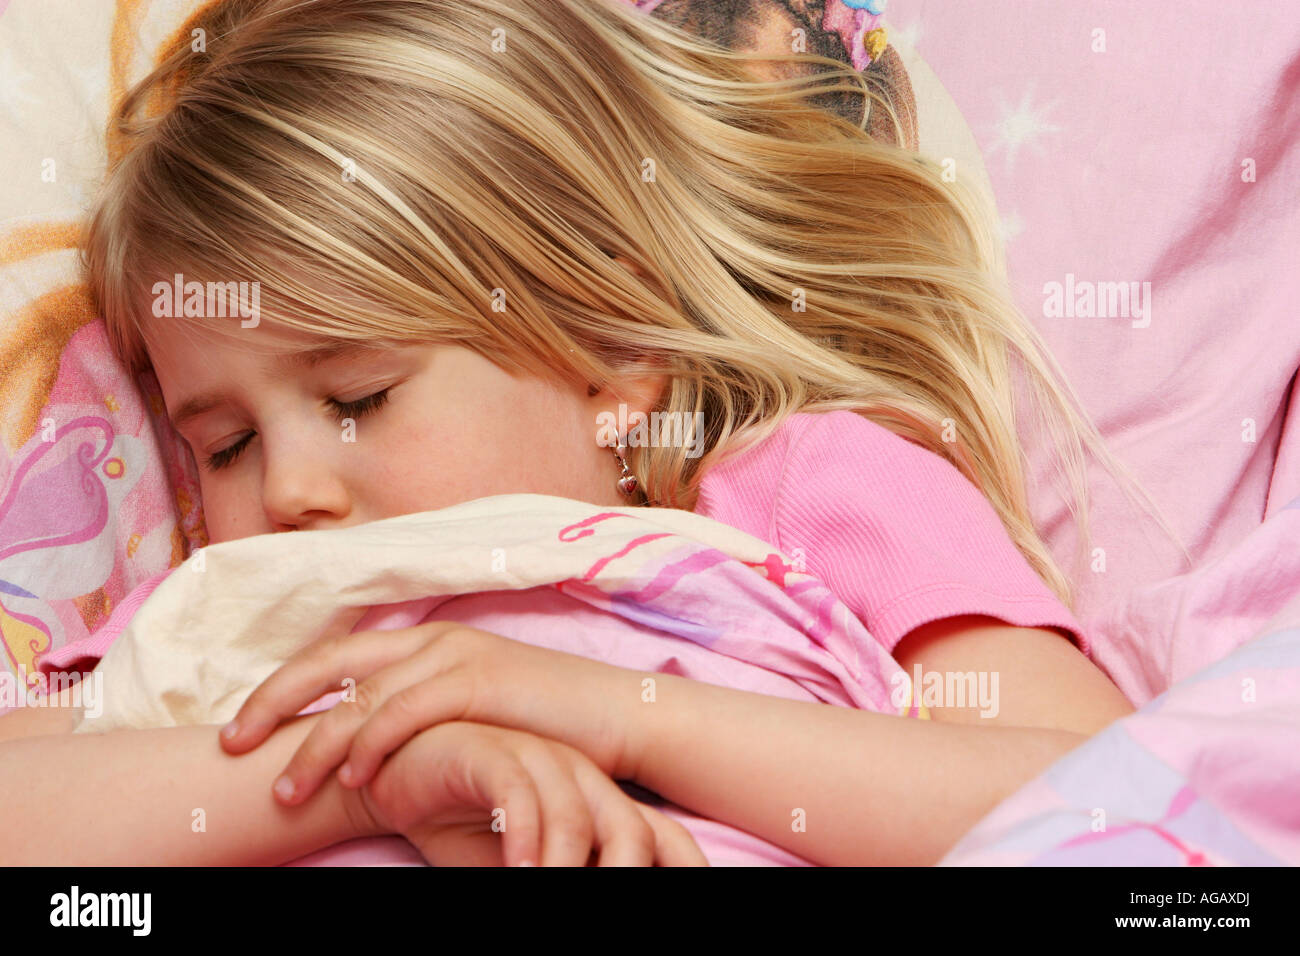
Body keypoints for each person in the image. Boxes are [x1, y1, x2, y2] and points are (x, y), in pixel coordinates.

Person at [1, 0, 1176, 865]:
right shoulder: (245, 604)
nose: (293, 488)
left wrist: (620, 712)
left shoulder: (797, 488)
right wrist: (367, 777)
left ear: (613, 351)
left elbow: (1115, 798)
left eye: (358, 398)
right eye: (226, 445)